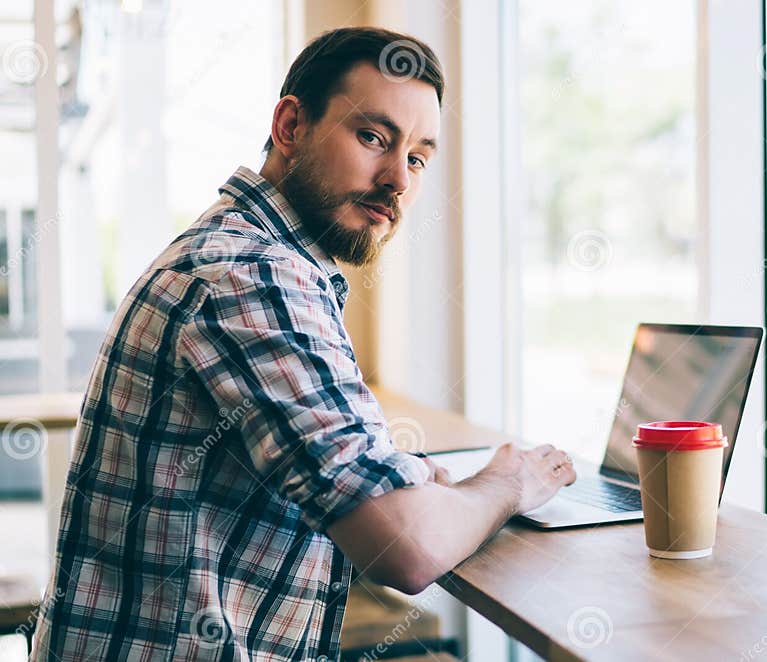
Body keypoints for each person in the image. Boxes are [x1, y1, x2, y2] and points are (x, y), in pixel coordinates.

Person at [30, 26, 575, 661]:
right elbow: (405, 548)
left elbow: (370, 487)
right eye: (373, 137)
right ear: (291, 125)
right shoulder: (253, 275)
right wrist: (507, 482)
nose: (398, 179)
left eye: (418, 157)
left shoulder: (246, 254)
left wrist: (412, 484)